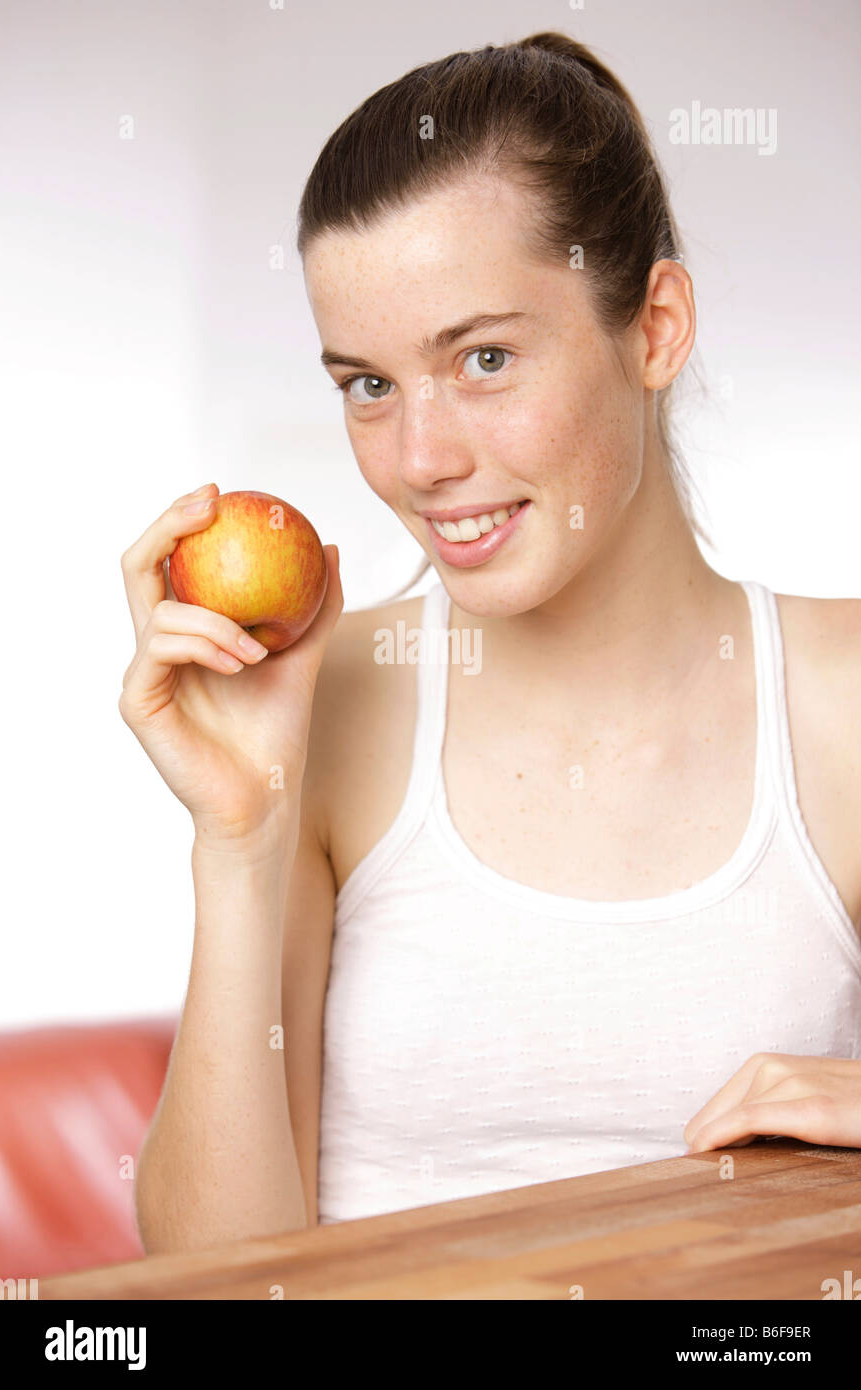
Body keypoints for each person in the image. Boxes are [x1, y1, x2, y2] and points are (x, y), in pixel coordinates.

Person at [119, 32, 861, 1251]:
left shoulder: (836, 706)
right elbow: (215, 1280)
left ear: (655, 328)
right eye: (367, 384)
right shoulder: (320, 700)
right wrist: (240, 838)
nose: (419, 460)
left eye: (483, 358)